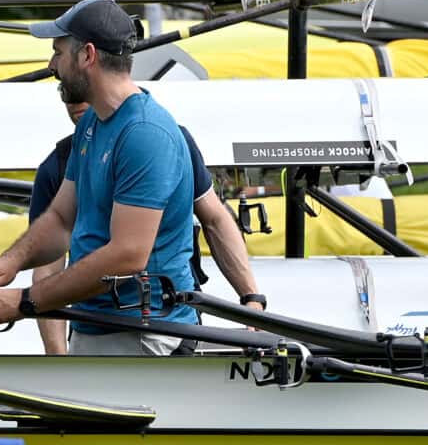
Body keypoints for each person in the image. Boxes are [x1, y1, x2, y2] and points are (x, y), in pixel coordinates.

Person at [0, 0, 198, 356]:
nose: (51, 65)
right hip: (102, 325)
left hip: (146, 332)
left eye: (58, 52)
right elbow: (62, 218)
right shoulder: (93, 122)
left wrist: (27, 301)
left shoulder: (144, 133)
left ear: (87, 55)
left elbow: (127, 255)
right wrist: (10, 262)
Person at [28, 85, 267, 354]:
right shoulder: (56, 167)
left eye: (80, 87)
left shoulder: (164, 139)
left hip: (171, 323)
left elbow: (215, 219)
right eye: (66, 92)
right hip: (93, 326)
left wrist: (251, 298)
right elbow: (47, 270)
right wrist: (57, 359)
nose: (75, 99)